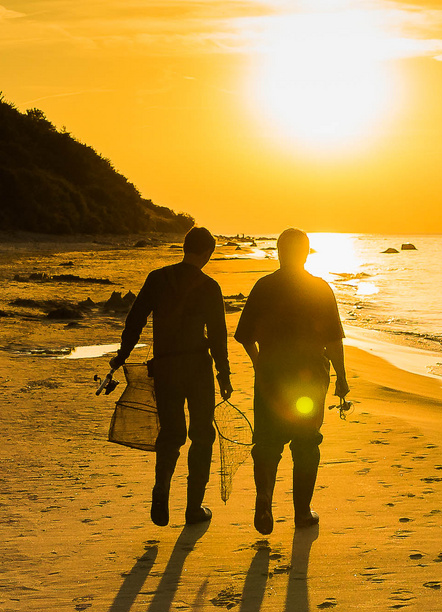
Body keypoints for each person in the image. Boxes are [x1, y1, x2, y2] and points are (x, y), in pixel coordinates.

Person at [110, 226, 232, 527]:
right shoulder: (209, 286)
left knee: (171, 433)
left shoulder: (158, 278)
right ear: (208, 253)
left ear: (184, 247)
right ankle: (193, 507)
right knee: (202, 435)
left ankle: (161, 490)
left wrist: (122, 355)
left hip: (165, 367)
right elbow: (218, 335)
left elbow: (135, 317)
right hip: (197, 368)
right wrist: (224, 374)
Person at [235, 228, 348, 534]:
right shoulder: (320, 288)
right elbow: (334, 340)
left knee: (267, 444)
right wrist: (342, 378)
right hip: (309, 379)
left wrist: (260, 365)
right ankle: (301, 513)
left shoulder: (263, 286)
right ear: (306, 252)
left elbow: (244, 336)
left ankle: (264, 498)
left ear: (279, 251)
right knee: (307, 442)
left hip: (271, 377)